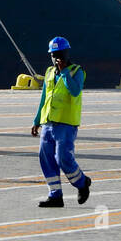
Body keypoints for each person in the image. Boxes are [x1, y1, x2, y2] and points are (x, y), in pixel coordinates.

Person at [30, 36, 92, 207]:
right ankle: (55, 195)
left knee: (63, 157)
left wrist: (64, 71)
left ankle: (82, 183)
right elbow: (44, 98)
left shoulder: (76, 71)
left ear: (66, 53)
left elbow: (74, 91)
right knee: (46, 158)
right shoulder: (49, 72)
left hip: (66, 124)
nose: (56, 57)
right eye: (53, 54)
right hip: (48, 123)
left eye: (59, 54)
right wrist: (36, 121)